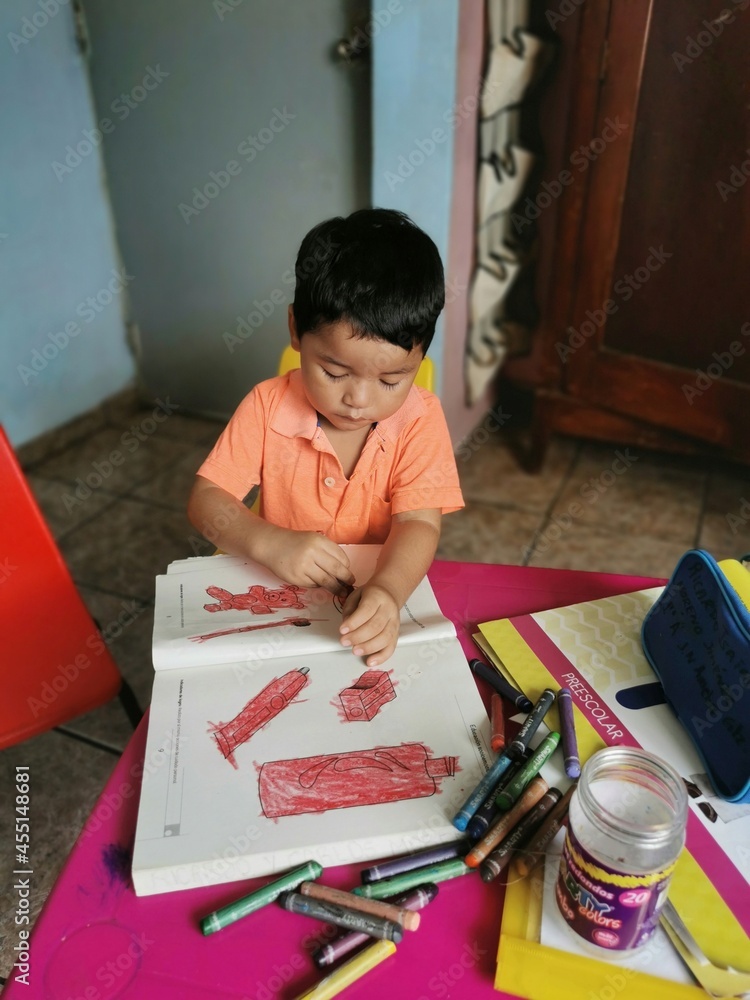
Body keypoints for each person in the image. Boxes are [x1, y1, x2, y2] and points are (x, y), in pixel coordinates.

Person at [187, 208, 464, 666]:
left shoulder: (420, 419)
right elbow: (205, 499)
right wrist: (268, 542)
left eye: (391, 381)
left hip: (371, 591)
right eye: (334, 373)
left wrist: (388, 590)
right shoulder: (267, 405)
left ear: (419, 359)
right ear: (295, 330)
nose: (358, 400)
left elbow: (418, 523)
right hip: (277, 595)